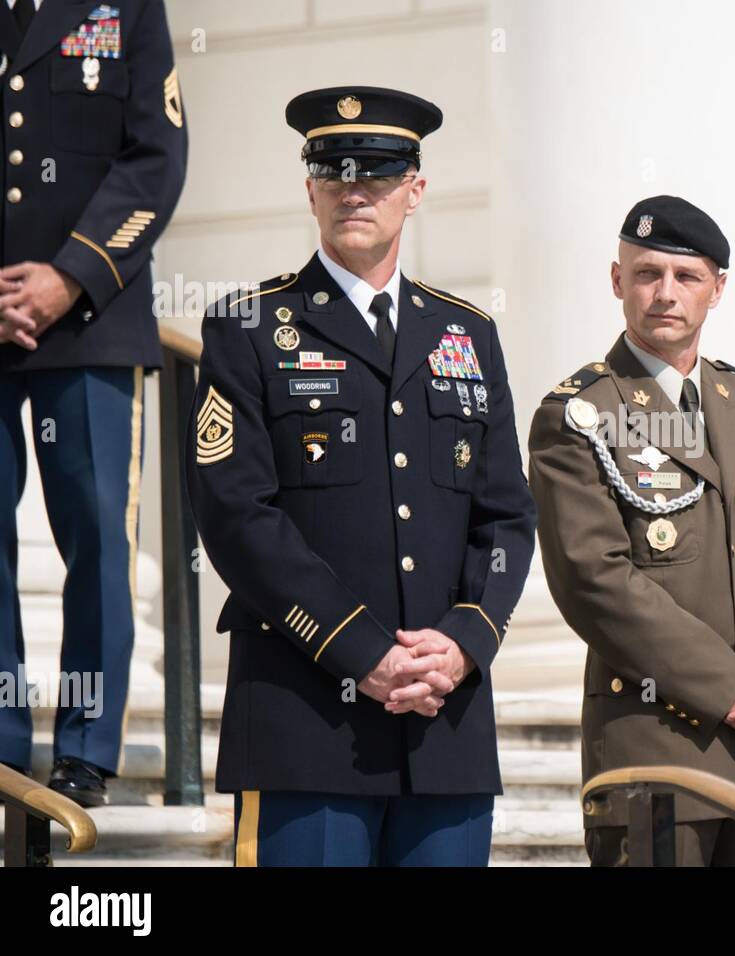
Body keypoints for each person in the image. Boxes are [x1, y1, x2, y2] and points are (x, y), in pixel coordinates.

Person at [185, 86, 536, 866]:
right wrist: (362, 651)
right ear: (309, 187)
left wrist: (467, 640)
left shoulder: (467, 333)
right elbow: (238, 516)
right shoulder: (246, 328)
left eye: (377, 172)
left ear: (414, 190)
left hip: (445, 724)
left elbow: (506, 515)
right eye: (333, 169)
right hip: (306, 724)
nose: (354, 189)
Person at [528, 196, 735, 866]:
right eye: (647, 275)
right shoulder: (580, 412)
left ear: (717, 289)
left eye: (686, 277)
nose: (665, 293)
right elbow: (594, 579)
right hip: (657, 757)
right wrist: (731, 687)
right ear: (617, 282)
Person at [0, 0, 187, 804]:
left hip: (91, 317)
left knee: (100, 539)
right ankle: (3, 744)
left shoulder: (131, 5)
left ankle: (86, 751)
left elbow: (158, 155)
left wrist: (70, 273)